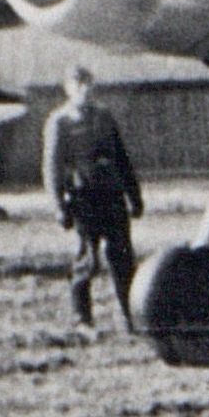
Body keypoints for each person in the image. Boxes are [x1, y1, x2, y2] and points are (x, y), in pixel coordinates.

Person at [42, 67, 143, 331]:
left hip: (111, 194)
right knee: (87, 260)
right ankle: (82, 320)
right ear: (68, 88)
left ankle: (129, 316)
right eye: (78, 84)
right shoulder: (60, 121)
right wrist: (59, 207)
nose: (84, 89)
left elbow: (121, 158)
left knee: (122, 257)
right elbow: (52, 168)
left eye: (88, 83)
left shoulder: (104, 116)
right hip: (83, 197)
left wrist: (134, 195)